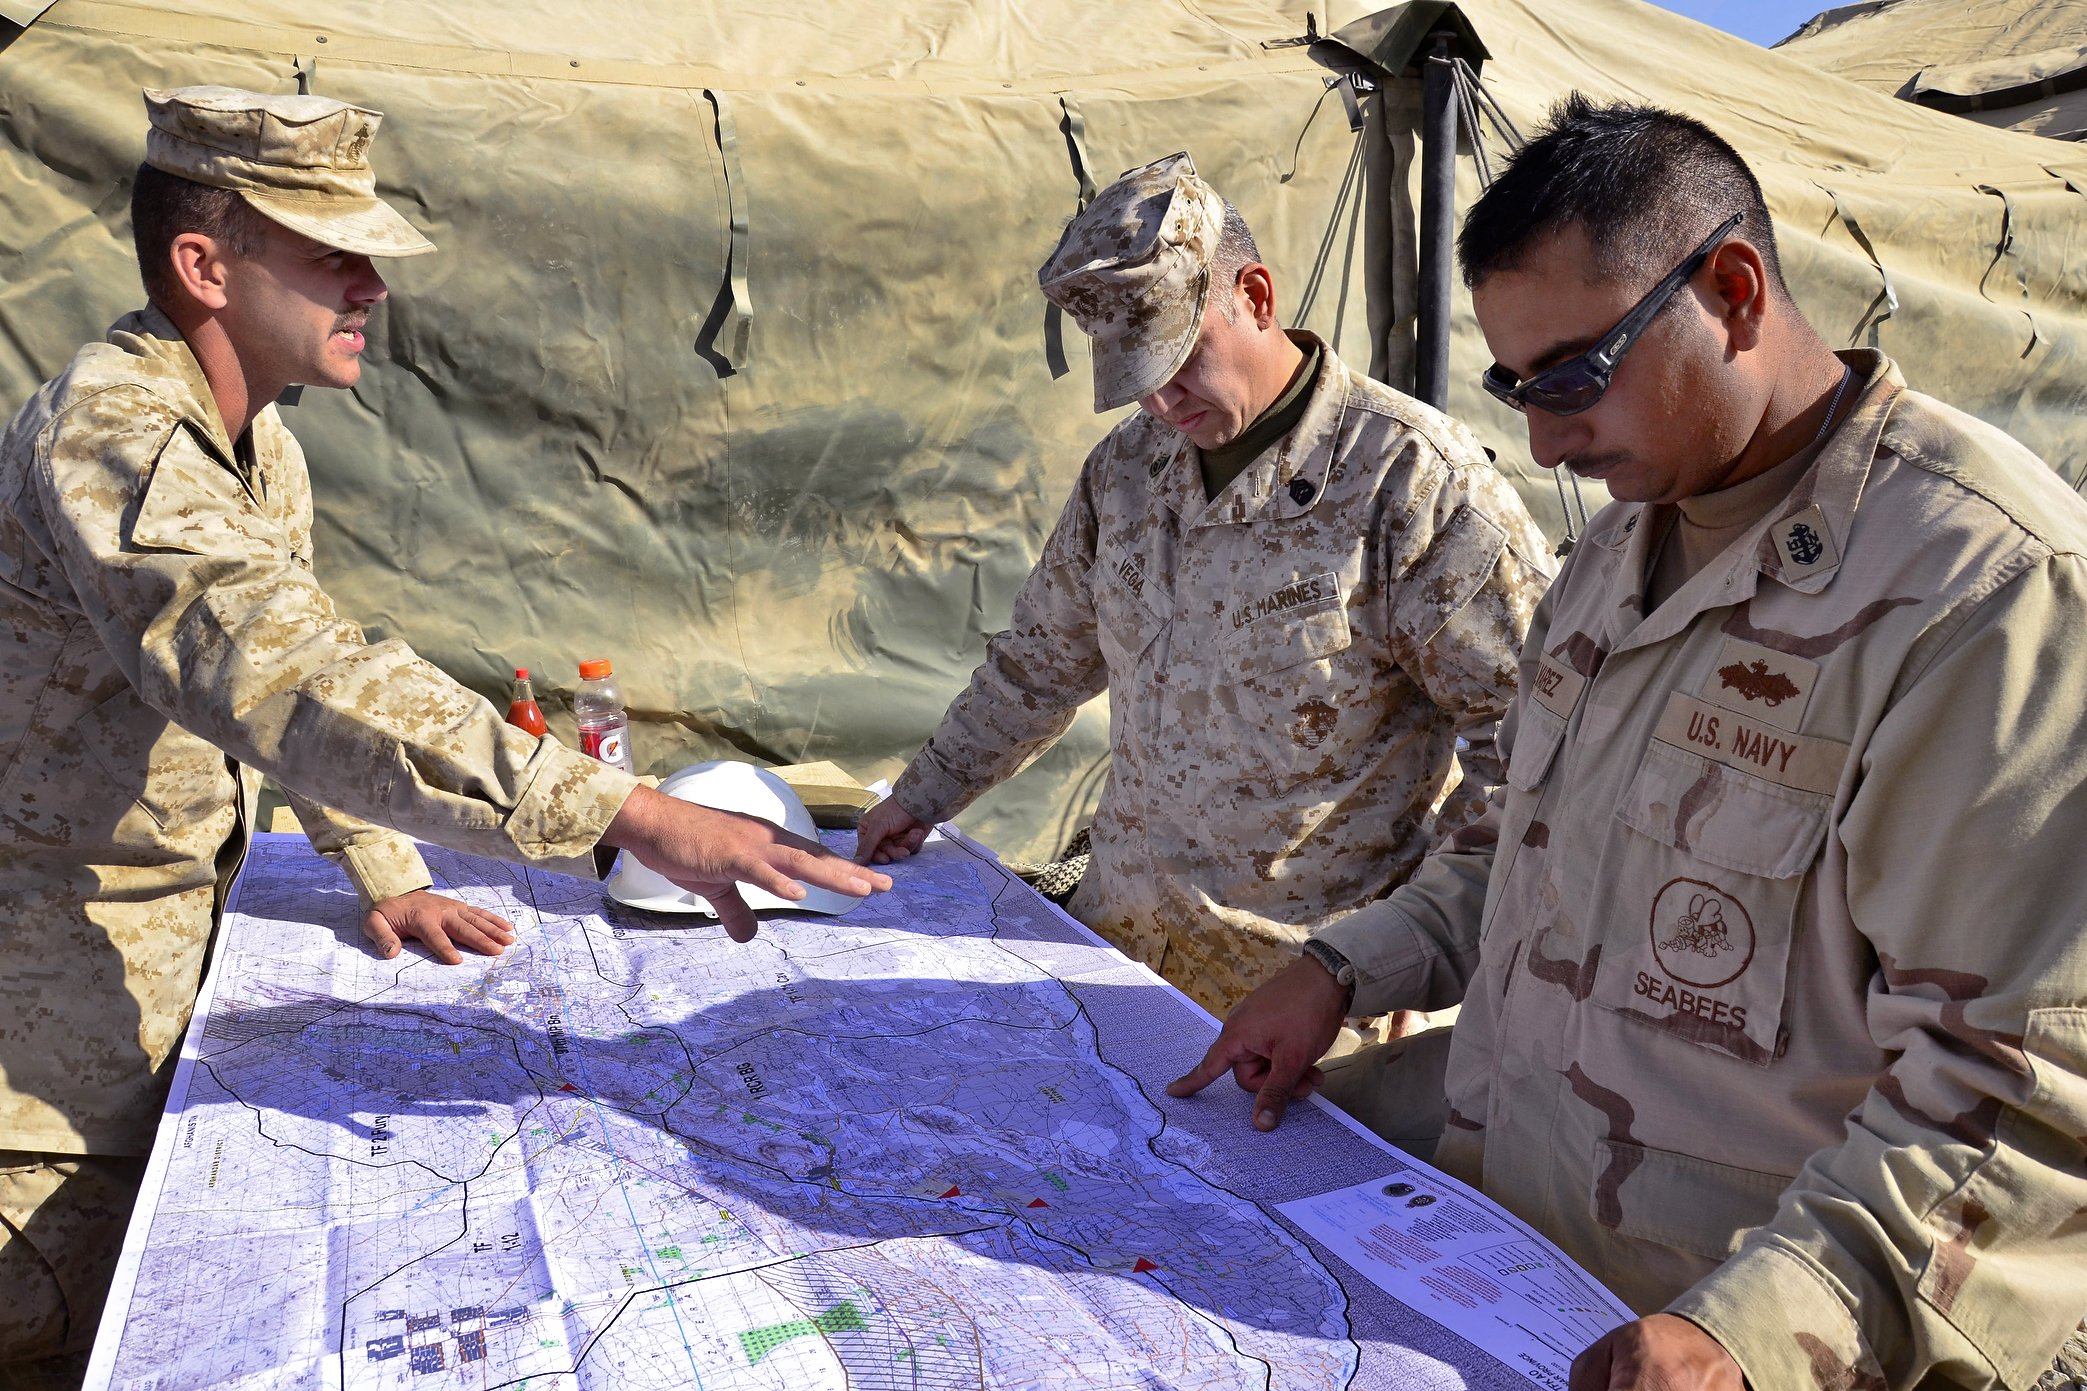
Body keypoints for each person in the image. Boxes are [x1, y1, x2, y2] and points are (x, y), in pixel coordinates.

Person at [1170, 95, 2087, 1390]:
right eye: (1511, 385)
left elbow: (2022, 1091)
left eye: (1571, 375)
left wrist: (1755, 1332)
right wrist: (1339, 967)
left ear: (1729, 289)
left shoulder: (1982, 597)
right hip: (1523, 1283)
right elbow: (1518, 853)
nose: (1540, 436)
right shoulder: (1608, 563)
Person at [0, 86, 888, 1387]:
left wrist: (385, 870)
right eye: (326, 254)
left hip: (171, 944)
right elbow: (271, 665)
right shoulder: (118, 424)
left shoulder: (261, 446)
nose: (366, 286)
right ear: (204, 265)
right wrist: (618, 811)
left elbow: (296, 672)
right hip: (45, 1035)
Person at [853, 152, 1554, 1024]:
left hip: (1307, 1015)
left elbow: (1534, 756)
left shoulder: (1414, 483)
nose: (1160, 402)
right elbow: (1037, 665)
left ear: (1255, 296)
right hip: (1119, 964)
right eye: (1135, 379)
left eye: (1178, 359)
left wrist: (1382, 959)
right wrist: (921, 796)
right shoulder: (1125, 476)